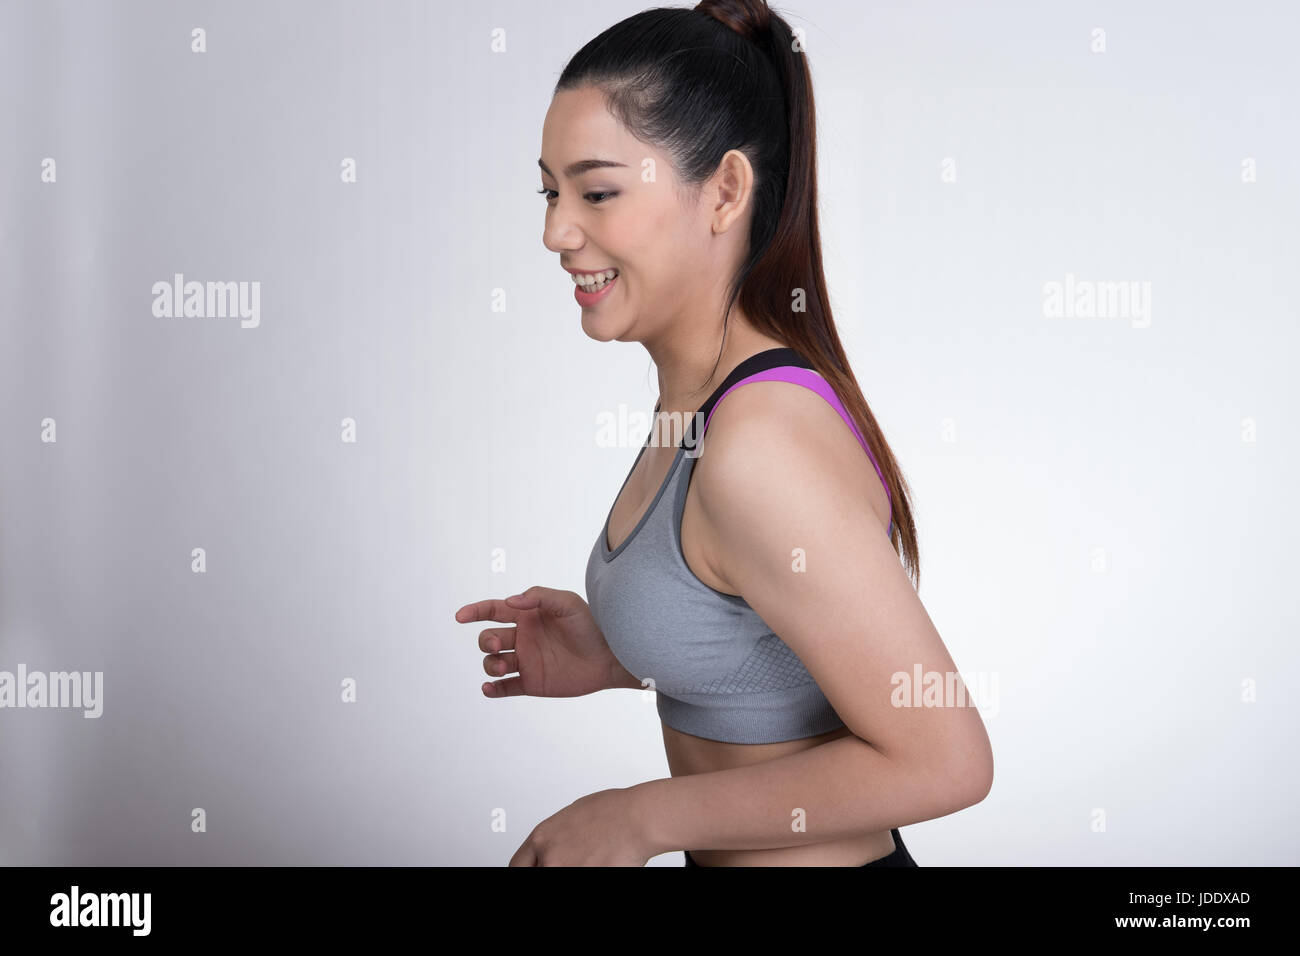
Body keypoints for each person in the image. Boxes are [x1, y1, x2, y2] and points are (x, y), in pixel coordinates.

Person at [454, 0, 993, 866]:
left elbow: (948, 760)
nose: (555, 231)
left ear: (727, 191)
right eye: (551, 192)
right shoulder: (700, 402)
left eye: (596, 191)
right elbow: (769, 638)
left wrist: (641, 818)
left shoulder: (757, 443)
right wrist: (622, 650)